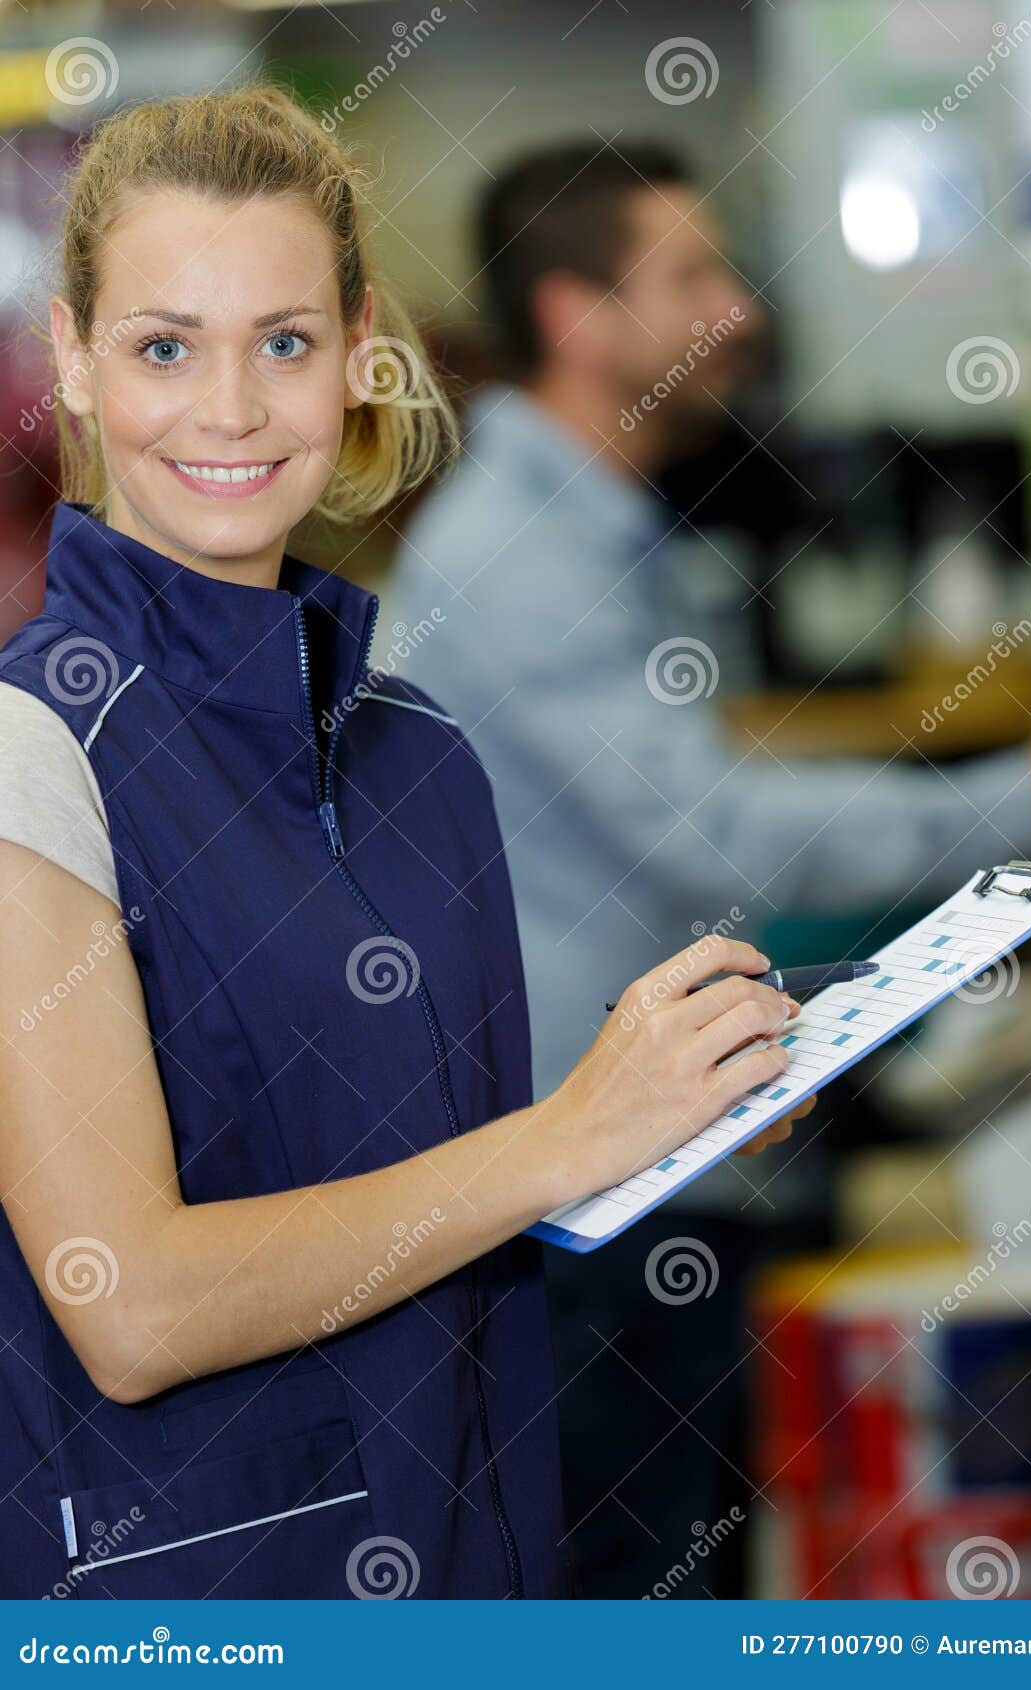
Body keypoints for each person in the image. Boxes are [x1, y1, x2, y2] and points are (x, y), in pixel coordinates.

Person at [0, 87, 807, 1602]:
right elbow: (133, 1303)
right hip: (210, 1596)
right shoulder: (32, 758)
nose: (231, 408)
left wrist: (661, 1112)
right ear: (74, 363)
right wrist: (565, 1137)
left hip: (472, 1542)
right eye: (165, 345)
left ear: (360, 351)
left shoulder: (413, 751)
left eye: (286, 343)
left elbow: (444, 1182)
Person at [384, 140, 1031, 1595]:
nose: (734, 308)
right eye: (688, 274)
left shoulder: (593, 524)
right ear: (578, 317)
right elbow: (709, 830)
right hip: (594, 1189)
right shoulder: (512, 552)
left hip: (648, 1156)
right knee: (627, 1586)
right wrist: (1027, 795)